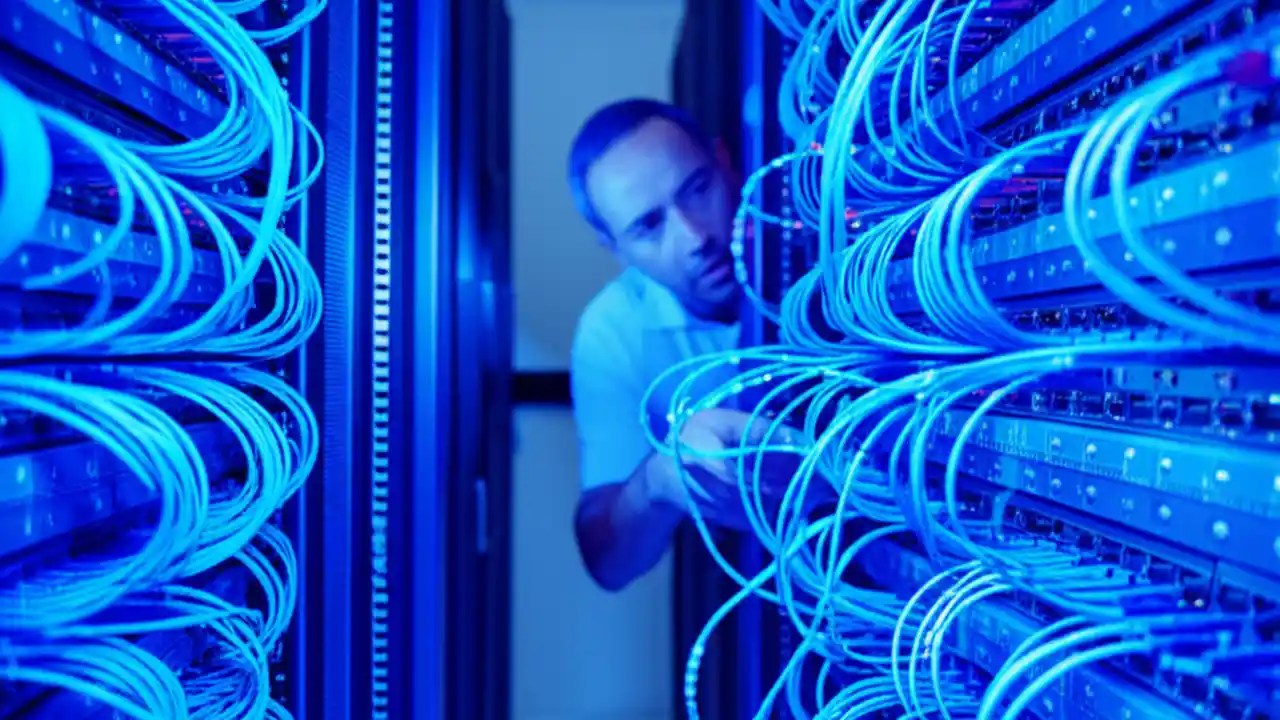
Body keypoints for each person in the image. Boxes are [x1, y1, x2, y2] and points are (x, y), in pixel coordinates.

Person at [566, 98, 788, 592]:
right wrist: (658, 482)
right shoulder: (611, 332)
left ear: (725, 162)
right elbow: (607, 562)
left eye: (698, 189)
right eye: (649, 226)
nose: (694, 237)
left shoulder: (812, 218)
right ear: (615, 249)